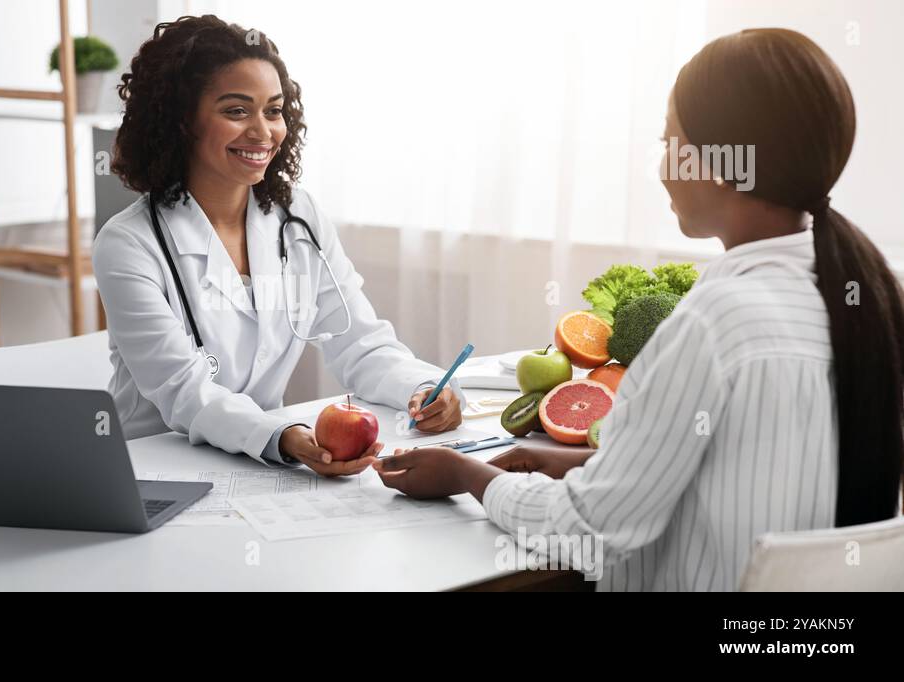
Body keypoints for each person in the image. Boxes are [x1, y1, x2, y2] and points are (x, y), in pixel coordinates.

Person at [374, 28, 904, 590]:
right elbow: (755, 478)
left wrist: (468, 475)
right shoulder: (872, 294)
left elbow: (589, 532)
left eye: (670, 141)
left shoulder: (715, 321)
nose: (661, 168)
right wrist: (588, 468)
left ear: (724, 163)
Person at [93, 15, 463, 477]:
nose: (263, 131)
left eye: (273, 110)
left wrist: (426, 388)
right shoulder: (129, 244)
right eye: (236, 111)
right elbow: (185, 392)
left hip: (261, 466)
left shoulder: (298, 216)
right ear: (181, 122)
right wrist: (283, 438)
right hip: (157, 469)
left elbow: (360, 343)